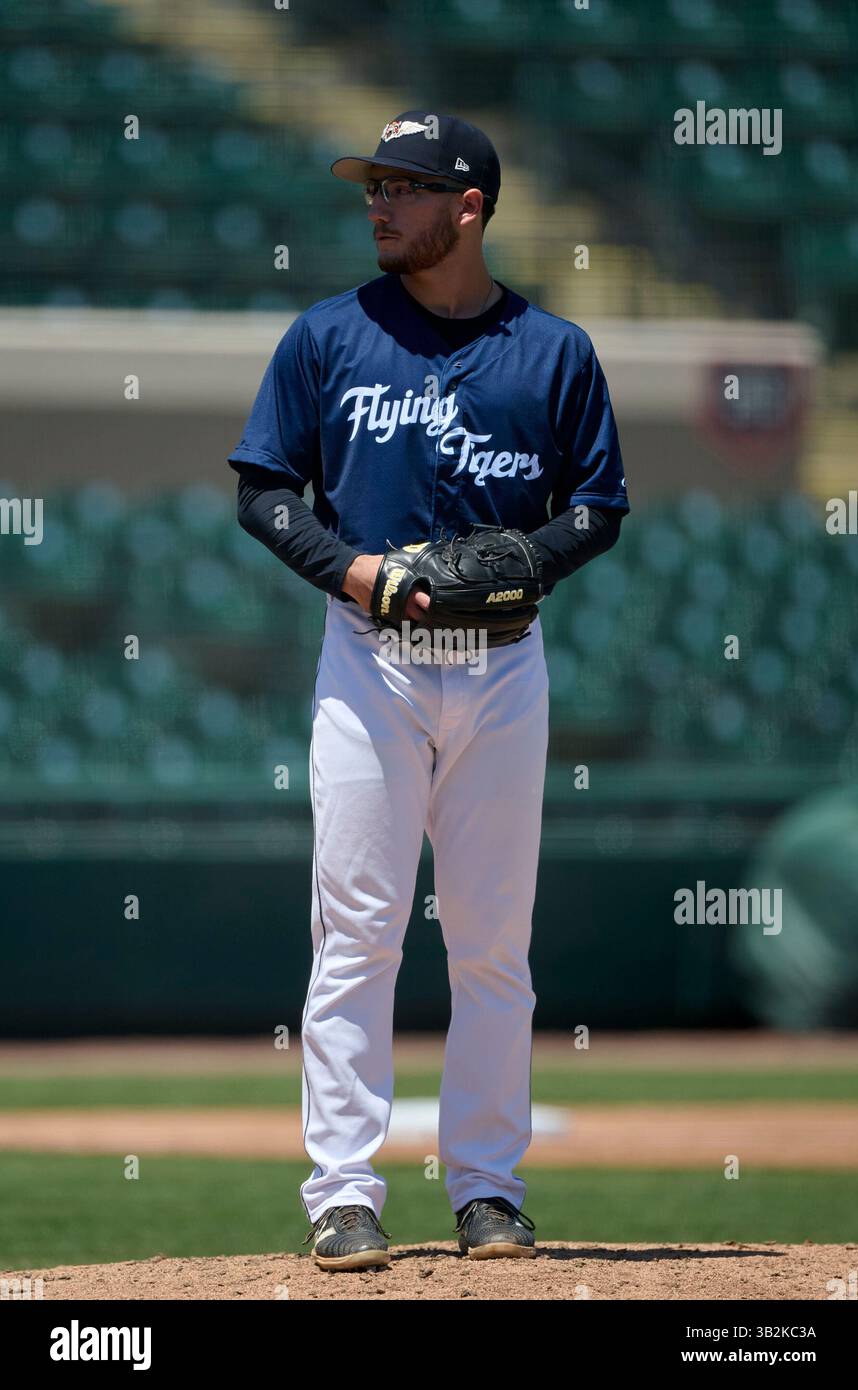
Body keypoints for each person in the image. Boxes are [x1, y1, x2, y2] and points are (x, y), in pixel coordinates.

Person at [228, 111, 630, 1271]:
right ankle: (342, 1195)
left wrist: (525, 564)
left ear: (469, 206)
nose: (378, 203)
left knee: (493, 945)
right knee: (356, 934)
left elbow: (595, 508)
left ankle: (487, 1192)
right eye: (373, 185)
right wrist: (353, 567)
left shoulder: (552, 352)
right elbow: (263, 489)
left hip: (501, 672)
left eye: (404, 186)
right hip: (367, 661)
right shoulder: (327, 337)